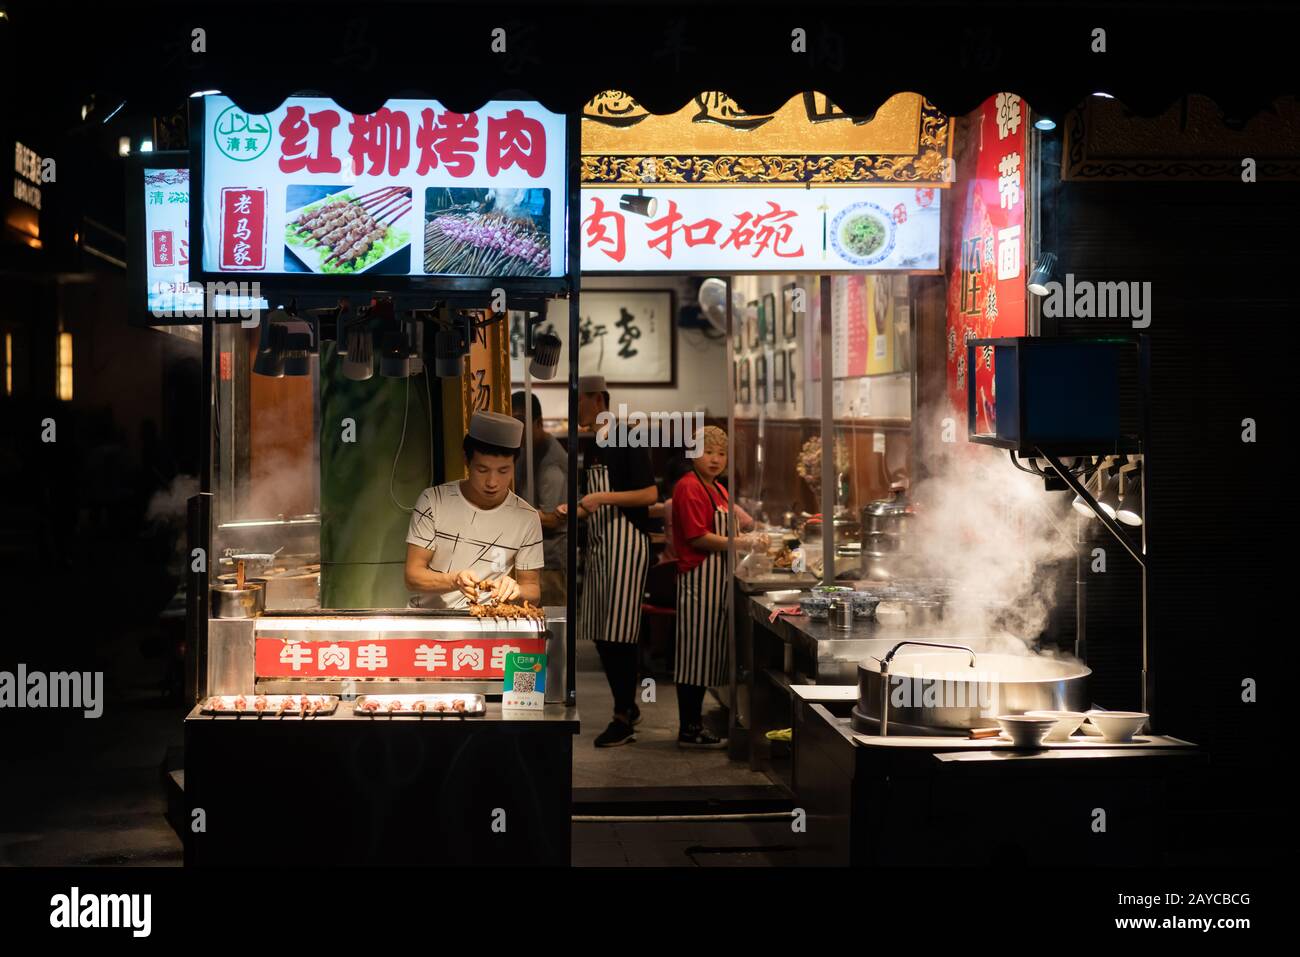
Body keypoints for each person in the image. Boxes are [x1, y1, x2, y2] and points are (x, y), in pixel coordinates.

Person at [558, 374, 657, 748]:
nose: (574, 411)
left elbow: (648, 493)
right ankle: (629, 707)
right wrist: (575, 509)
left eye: (577, 402)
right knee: (600, 630)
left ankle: (622, 717)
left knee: (619, 633)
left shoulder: (627, 434)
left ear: (597, 399)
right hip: (601, 544)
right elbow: (593, 499)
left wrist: (601, 500)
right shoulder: (593, 444)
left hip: (627, 545)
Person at [671, 426, 761, 748]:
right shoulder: (689, 487)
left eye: (721, 453)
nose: (715, 459)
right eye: (708, 452)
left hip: (716, 581)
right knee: (694, 655)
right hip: (698, 580)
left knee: (707, 653)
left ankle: (695, 726)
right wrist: (742, 541)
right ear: (693, 454)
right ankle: (689, 729)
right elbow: (698, 537)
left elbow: (741, 520)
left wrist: (754, 532)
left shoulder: (717, 489)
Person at [404, 410, 544, 608]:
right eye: (482, 470)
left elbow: (532, 588)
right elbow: (412, 575)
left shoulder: (527, 517)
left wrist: (517, 590)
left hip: (487, 625)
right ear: (467, 461)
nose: (492, 482)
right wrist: (454, 580)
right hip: (427, 622)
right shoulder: (433, 501)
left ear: (514, 465)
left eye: (504, 471)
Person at [511, 391, 568, 608]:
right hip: (530, 556)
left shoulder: (551, 461)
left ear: (539, 422)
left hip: (550, 560)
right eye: (513, 422)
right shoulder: (526, 449)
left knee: (550, 627)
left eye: (522, 422)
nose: (518, 429)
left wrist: (510, 513)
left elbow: (553, 519)